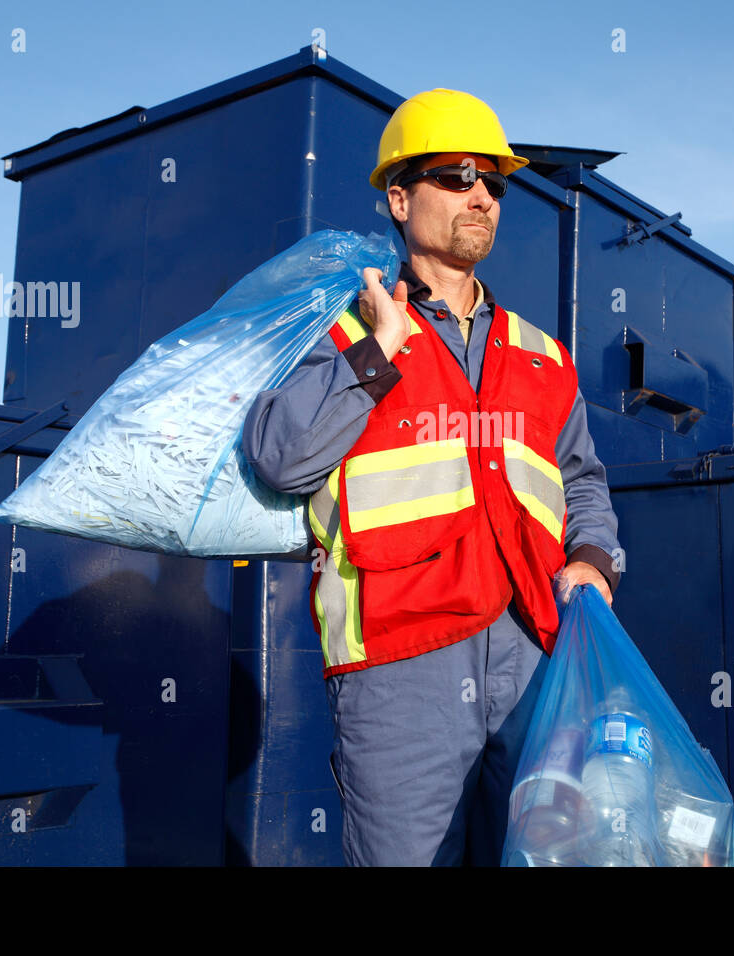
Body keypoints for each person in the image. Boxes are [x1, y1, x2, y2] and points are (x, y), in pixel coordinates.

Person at [242, 88, 622, 866]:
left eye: (493, 182)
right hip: (400, 667)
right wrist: (379, 350)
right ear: (398, 196)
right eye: (455, 176)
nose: (481, 195)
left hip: (531, 660)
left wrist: (591, 558)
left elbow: (581, 481)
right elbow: (279, 457)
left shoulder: (541, 354)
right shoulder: (345, 331)